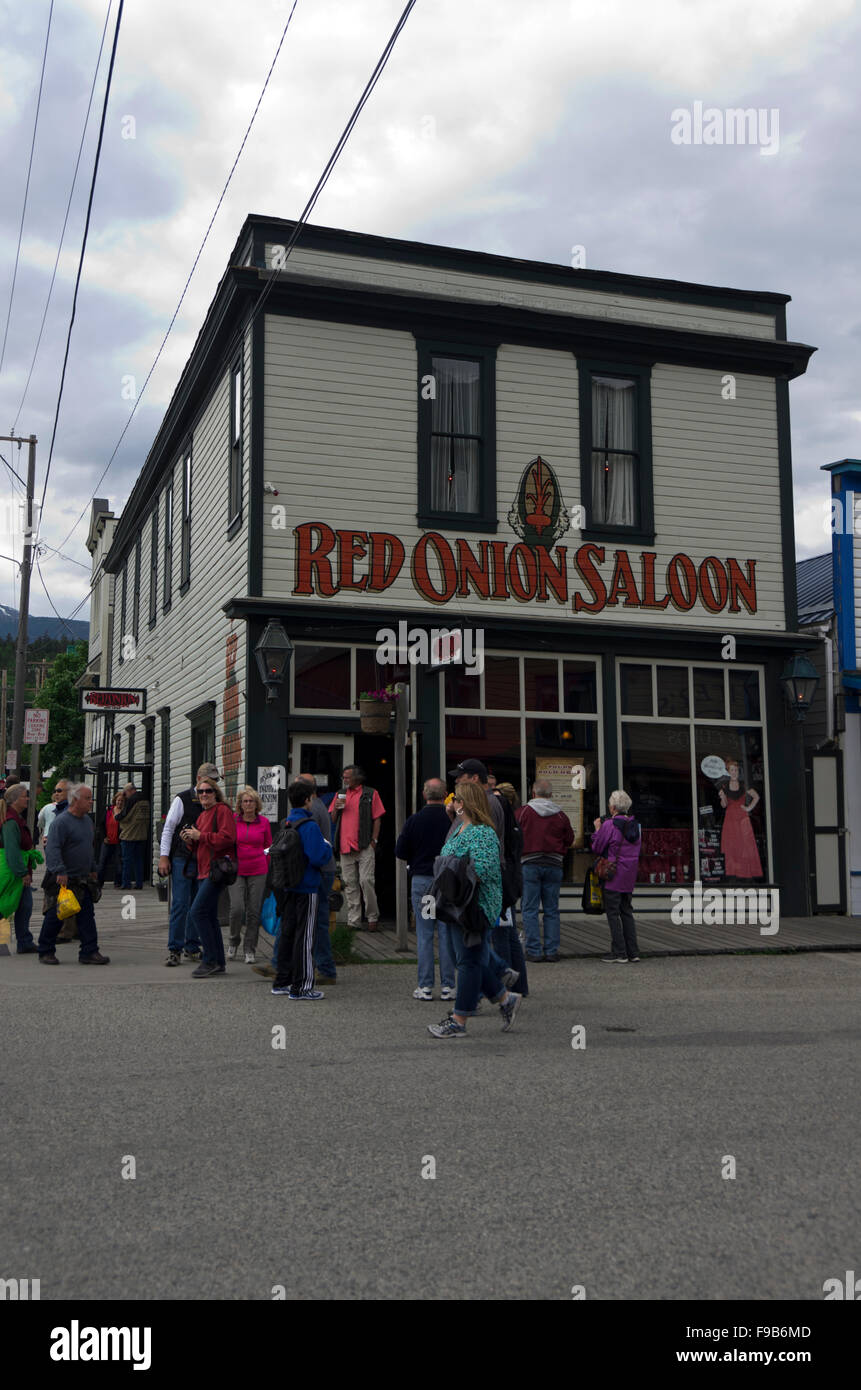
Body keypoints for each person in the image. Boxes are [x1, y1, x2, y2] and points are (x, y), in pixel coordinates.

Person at [427, 781, 522, 1039]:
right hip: (459, 905)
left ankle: (459, 1019)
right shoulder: (460, 828)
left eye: (456, 799)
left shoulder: (482, 832)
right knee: (473, 960)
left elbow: (485, 868)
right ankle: (505, 999)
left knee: (469, 961)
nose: (452, 802)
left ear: (464, 803)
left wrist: (453, 873)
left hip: (475, 907)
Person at [271, 780, 333, 1000]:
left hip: (288, 886)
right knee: (305, 937)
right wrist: (327, 847)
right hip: (307, 886)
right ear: (308, 799)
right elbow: (318, 856)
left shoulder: (287, 823)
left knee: (288, 933)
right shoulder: (309, 825)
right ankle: (303, 987)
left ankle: (282, 981)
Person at [395, 777, 456, 1002]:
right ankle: (449, 985)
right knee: (447, 933)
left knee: (425, 934)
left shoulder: (414, 820)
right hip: (447, 881)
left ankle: (425, 986)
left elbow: (400, 851)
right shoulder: (452, 821)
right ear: (445, 794)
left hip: (423, 882)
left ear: (424, 794)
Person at [38, 784, 109, 965]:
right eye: (88, 798)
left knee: (86, 916)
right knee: (56, 915)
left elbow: (88, 848)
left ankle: (89, 951)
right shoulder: (61, 822)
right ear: (76, 800)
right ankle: (45, 950)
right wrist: (59, 870)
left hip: (83, 878)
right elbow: (53, 849)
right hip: (64, 879)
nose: (91, 802)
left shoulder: (87, 821)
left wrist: (93, 867)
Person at [159, 763, 221, 966]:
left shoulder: (216, 801)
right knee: (180, 904)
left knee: (197, 904)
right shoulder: (182, 799)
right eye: (208, 780)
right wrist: (163, 856)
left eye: (214, 781)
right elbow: (168, 828)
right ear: (198, 779)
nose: (211, 785)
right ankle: (175, 948)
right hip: (182, 857)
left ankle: (192, 946)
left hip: (203, 859)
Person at [181, 775, 236, 978]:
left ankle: (210, 959)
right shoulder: (202, 816)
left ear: (216, 793)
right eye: (200, 791)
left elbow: (228, 838)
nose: (204, 794)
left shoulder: (222, 810)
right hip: (205, 870)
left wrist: (200, 836)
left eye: (208, 791)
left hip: (217, 871)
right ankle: (218, 962)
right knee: (209, 916)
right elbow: (198, 845)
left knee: (197, 912)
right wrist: (189, 839)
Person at [517, 778, 575, 963]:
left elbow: (514, 835)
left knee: (529, 908)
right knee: (551, 909)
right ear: (551, 795)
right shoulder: (560, 815)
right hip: (554, 864)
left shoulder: (523, 812)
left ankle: (533, 951)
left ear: (533, 793)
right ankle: (551, 950)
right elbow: (570, 838)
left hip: (530, 863)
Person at [590, 790, 643, 963]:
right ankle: (632, 951)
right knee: (626, 911)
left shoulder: (609, 825)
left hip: (613, 873)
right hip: (629, 874)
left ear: (612, 807)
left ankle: (619, 952)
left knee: (613, 913)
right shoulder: (635, 826)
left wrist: (597, 829)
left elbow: (597, 847)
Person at [331, 764, 385, 931]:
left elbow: (377, 818)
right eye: (343, 777)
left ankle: (372, 917)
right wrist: (337, 808)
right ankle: (354, 921)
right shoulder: (340, 793)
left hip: (364, 845)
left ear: (357, 778)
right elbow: (333, 819)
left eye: (347, 777)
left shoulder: (370, 793)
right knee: (350, 884)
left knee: (366, 881)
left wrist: (374, 840)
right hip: (344, 845)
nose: (344, 780)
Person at [298, 773, 337, 985]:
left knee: (317, 920)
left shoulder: (312, 809)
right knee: (316, 920)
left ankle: (325, 968)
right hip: (323, 869)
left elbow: (312, 845)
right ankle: (322, 966)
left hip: (320, 871)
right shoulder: (318, 805)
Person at [228, 786, 272, 964]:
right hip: (237, 869)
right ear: (240, 804)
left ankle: (249, 948)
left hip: (258, 869)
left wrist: (264, 863)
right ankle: (233, 941)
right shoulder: (233, 820)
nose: (248, 804)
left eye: (251, 801)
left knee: (254, 911)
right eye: (245, 801)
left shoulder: (263, 822)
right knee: (237, 908)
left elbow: (269, 846)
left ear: (256, 804)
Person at [2, 784, 39, 953]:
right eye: (25, 796)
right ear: (16, 799)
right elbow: (12, 849)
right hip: (13, 871)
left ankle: (24, 941)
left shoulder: (15, 817)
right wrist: (22, 872)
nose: (28, 799)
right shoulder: (11, 821)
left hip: (18, 869)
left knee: (24, 905)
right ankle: (24, 941)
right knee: (7, 905)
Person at [719, 759, 762, 879]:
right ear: (728, 772)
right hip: (730, 819)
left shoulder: (743, 785)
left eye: (736, 770)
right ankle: (733, 874)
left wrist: (749, 808)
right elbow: (724, 805)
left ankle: (746, 874)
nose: (734, 772)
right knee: (732, 845)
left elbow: (756, 796)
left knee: (745, 846)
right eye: (732, 770)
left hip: (743, 819)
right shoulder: (724, 787)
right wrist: (722, 797)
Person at [116, 782, 150, 890]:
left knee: (127, 861)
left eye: (125, 794)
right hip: (142, 834)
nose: (125, 796)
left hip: (130, 835)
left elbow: (125, 815)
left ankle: (126, 883)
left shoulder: (132, 800)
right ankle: (139, 883)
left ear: (129, 791)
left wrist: (117, 816)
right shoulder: (146, 799)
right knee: (139, 860)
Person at [96, 791, 124, 887]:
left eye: (122, 801)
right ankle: (99, 883)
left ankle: (118, 882)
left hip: (118, 842)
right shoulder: (109, 811)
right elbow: (101, 825)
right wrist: (103, 837)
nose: (119, 802)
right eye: (118, 800)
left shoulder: (124, 812)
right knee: (102, 863)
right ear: (115, 800)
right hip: (107, 841)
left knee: (118, 864)